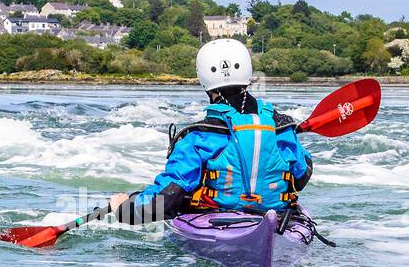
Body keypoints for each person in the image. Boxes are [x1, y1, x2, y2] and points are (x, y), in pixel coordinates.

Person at [110, 39, 313, 224]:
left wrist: (125, 208)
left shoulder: (199, 137)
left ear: (203, 78)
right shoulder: (282, 128)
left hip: (217, 221)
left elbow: (166, 199)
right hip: (277, 219)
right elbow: (302, 176)